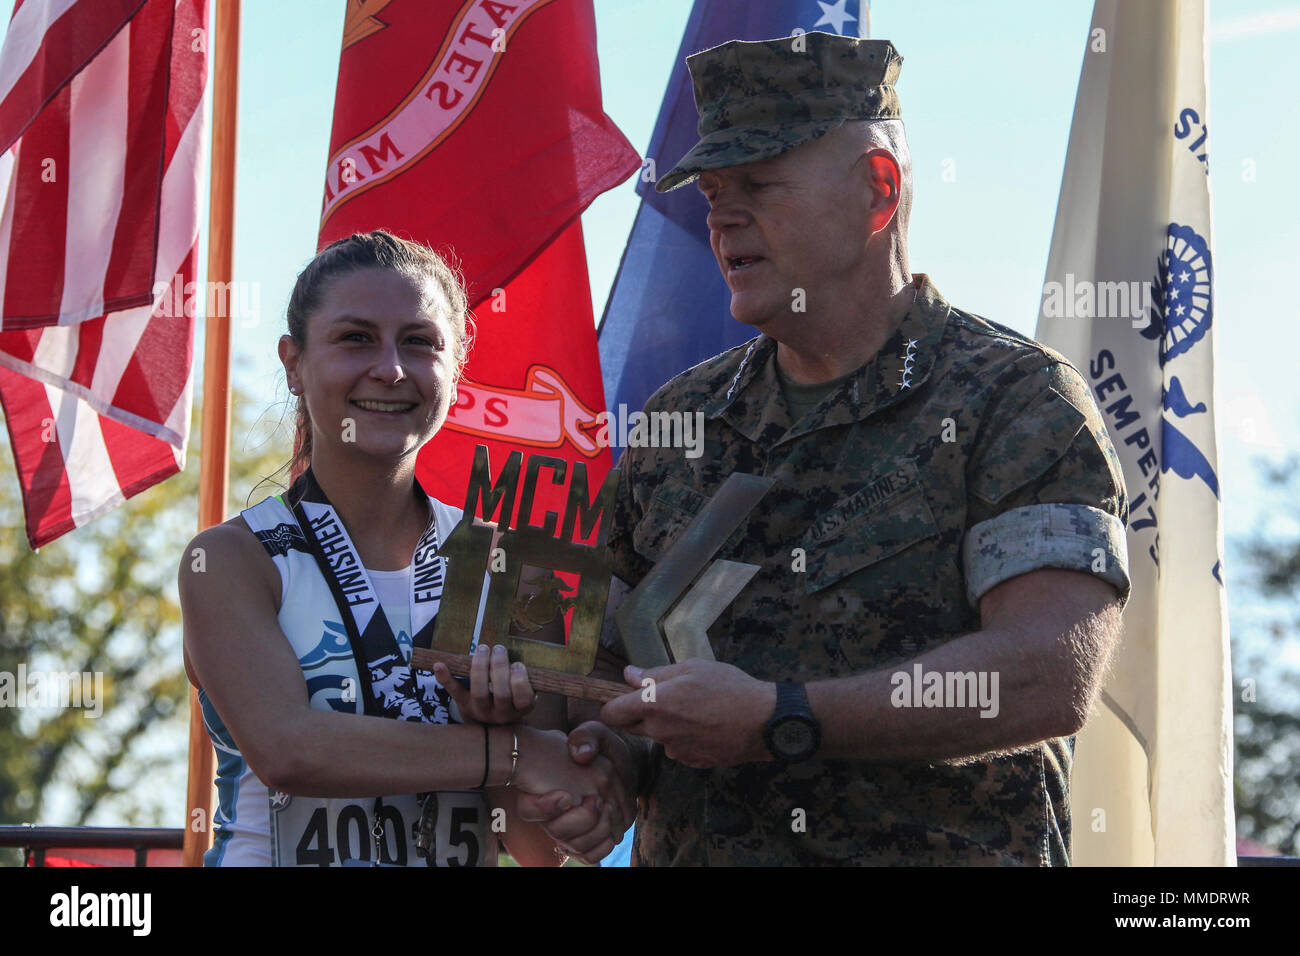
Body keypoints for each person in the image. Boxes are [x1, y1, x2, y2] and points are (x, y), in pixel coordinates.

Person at [528, 33, 1132, 865]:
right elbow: (601, 685)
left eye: (758, 185)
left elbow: (1045, 674)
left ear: (877, 191)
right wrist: (602, 767)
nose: (723, 217)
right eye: (711, 193)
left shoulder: (1013, 399)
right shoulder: (680, 424)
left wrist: (782, 717)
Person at [180, 231, 629, 866]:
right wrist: (521, 753)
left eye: (419, 342)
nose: (390, 369)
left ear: (456, 368)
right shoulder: (231, 559)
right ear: (293, 362)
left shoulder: (509, 570)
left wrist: (506, 738)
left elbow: (536, 850)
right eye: (355, 337)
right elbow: (289, 750)